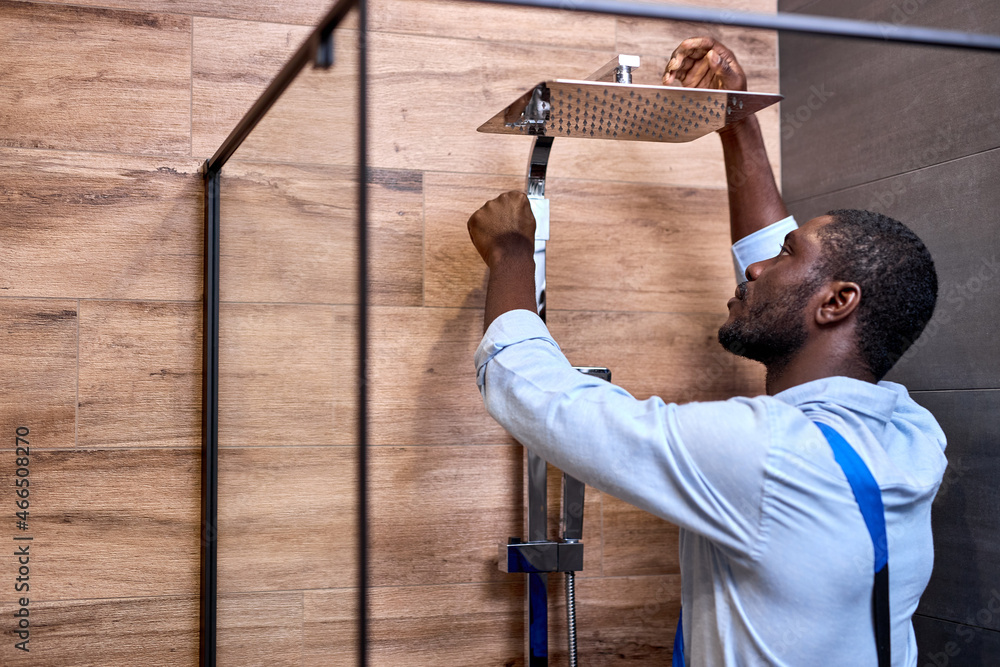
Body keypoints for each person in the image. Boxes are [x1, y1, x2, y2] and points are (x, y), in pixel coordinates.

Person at [468, 37, 947, 666]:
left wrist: (510, 254)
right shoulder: (910, 435)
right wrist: (736, 120)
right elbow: (789, 291)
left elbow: (536, 396)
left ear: (838, 303)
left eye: (785, 255)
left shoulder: (770, 454)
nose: (755, 271)